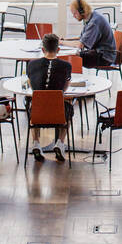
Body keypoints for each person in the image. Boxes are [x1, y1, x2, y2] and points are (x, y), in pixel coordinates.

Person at [26, 32, 73, 163]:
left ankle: (36, 143)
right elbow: (65, 89)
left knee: (33, 106)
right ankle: (60, 142)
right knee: (68, 108)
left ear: (42, 49)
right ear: (58, 49)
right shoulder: (66, 66)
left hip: (37, 114)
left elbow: (32, 86)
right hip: (59, 114)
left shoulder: (31, 64)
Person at [65, 0, 116, 69]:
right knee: (71, 57)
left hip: (105, 57)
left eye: (75, 13)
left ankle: (71, 79)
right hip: (101, 53)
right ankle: (70, 79)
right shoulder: (91, 16)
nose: (74, 16)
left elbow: (80, 44)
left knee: (71, 58)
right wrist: (65, 40)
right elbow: (81, 38)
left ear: (81, 11)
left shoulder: (94, 22)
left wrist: (60, 42)